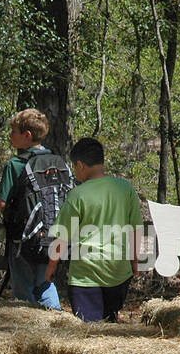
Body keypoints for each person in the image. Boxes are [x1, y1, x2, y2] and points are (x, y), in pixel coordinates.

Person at [45, 137, 144, 323]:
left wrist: (51, 266)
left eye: (75, 167)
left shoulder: (78, 194)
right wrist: (135, 262)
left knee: (89, 330)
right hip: (119, 272)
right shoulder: (125, 189)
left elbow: (62, 237)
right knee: (110, 325)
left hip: (86, 274)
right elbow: (136, 229)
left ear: (80, 165)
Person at [0, 108, 66, 310]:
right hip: (53, 236)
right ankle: (55, 327)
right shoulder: (57, 162)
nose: (11, 135)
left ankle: (27, 334)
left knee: (23, 290)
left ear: (26, 135)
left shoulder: (16, 164)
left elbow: (3, 203)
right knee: (45, 282)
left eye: (14, 131)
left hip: (24, 239)